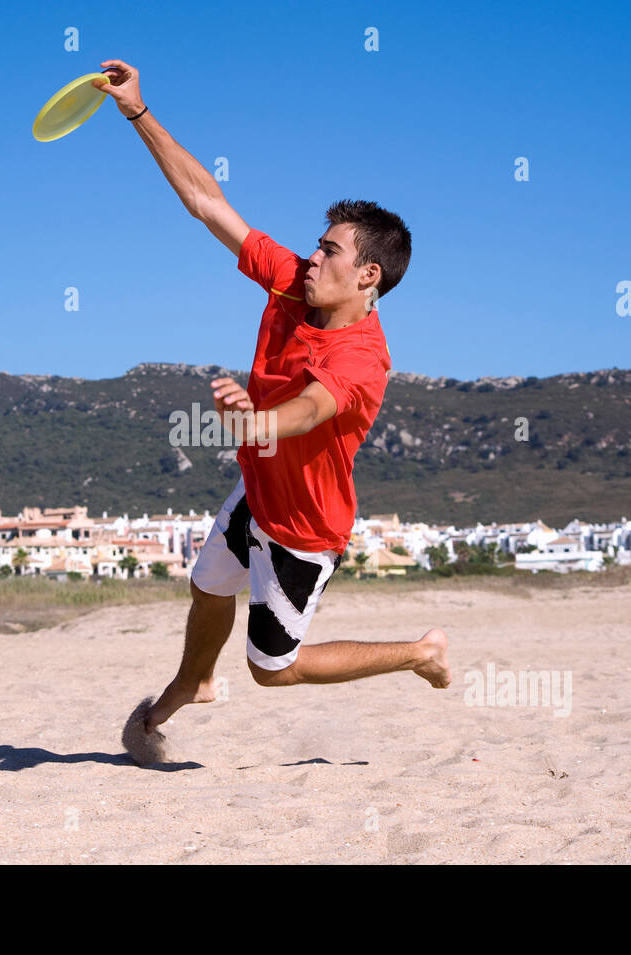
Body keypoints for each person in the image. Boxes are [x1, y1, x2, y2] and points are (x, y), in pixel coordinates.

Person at [95, 60, 451, 764]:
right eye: (317, 244)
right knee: (207, 586)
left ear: (368, 274)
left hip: (303, 527)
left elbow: (312, 408)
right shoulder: (293, 284)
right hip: (257, 489)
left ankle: (421, 651)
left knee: (272, 668)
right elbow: (207, 202)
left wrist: (255, 421)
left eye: (329, 250)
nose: (312, 256)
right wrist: (136, 109)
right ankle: (194, 681)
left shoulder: (363, 358)